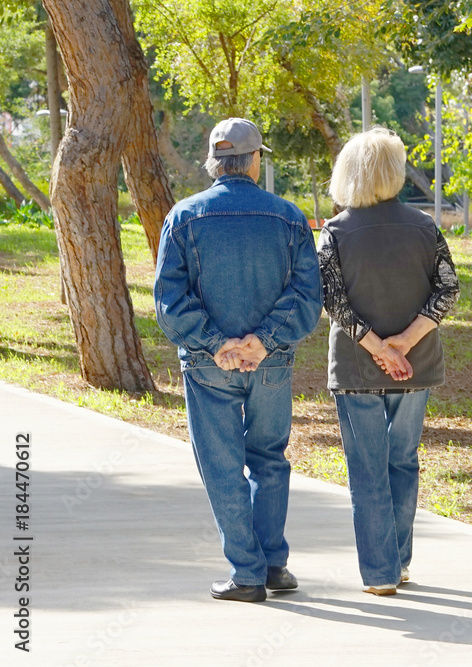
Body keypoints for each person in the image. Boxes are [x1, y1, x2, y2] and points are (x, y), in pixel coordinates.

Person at [154, 117, 322, 602]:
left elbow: (169, 299)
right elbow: (307, 294)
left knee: (222, 464)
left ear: (213, 161)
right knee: (270, 458)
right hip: (271, 363)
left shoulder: (183, 217)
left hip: (208, 366)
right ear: (254, 160)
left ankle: (247, 574)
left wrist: (215, 343)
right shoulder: (289, 217)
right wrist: (264, 341)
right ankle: (272, 565)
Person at [318, 127, 459, 596]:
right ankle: (398, 563)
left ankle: (379, 573)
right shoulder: (425, 227)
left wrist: (378, 347)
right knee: (403, 461)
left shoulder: (335, 232)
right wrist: (404, 342)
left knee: (367, 469)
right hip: (415, 365)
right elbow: (448, 289)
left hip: (358, 368)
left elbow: (331, 299)